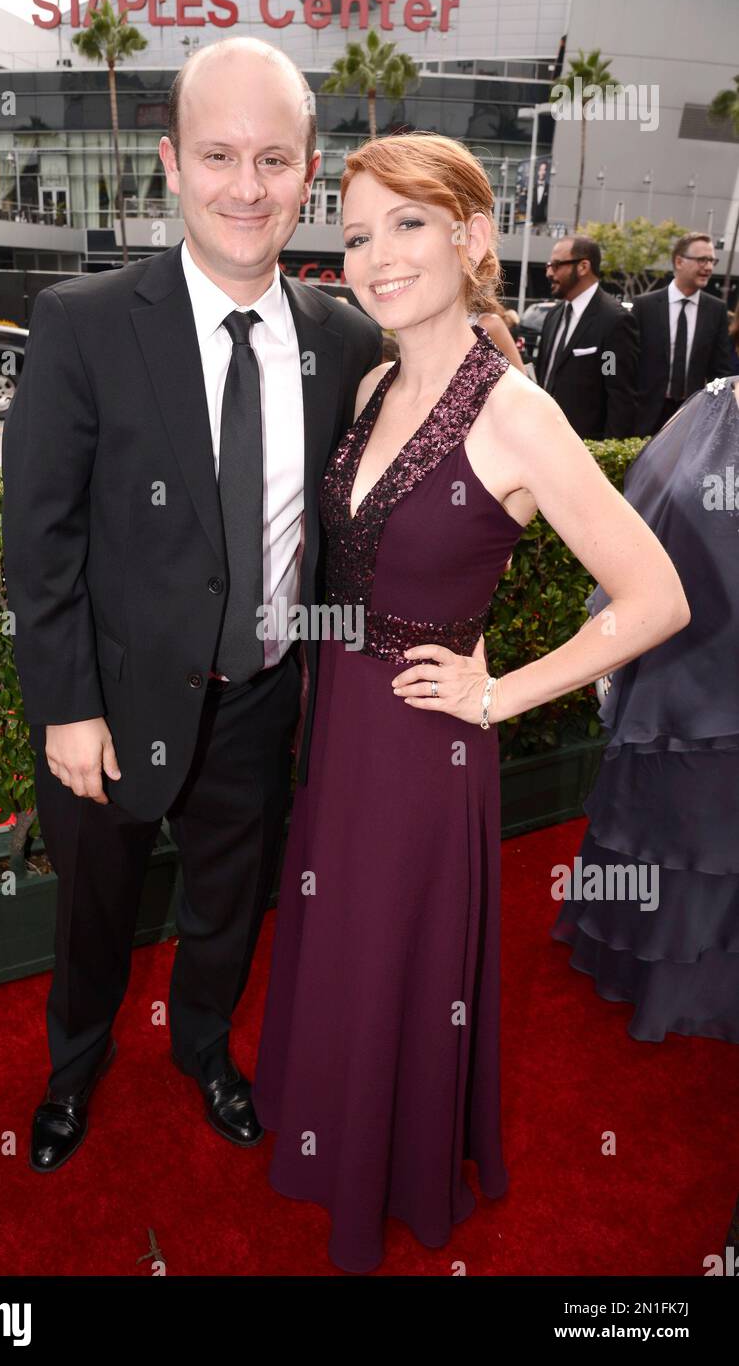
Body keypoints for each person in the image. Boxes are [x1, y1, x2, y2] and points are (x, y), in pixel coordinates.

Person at [251, 130, 690, 1274]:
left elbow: (656, 596)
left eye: (405, 224)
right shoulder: (370, 380)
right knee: (341, 953)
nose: (376, 256)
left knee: (394, 961)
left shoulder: (519, 413)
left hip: (424, 749)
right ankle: (331, 1137)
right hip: (338, 728)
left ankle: (386, 1179)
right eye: (354, 234)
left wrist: (496, 695)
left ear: (472, 237)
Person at [1, 36, 382, 1173]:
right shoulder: (80, 322)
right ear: (170, 163)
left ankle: (205, 1050)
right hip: (108, 711)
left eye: (273, 158)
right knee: (93, 918)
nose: (245, 185)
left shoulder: (346, 342)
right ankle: (74, 1068)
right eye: (218, 154)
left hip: (261, 702)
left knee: (227, 911)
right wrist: (67, 707)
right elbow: (41, 537)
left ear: (308, 173)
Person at [552, 371, 739, 1042]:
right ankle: (661, 980)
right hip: (688, 657)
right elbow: (640, 532)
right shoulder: (710, 411)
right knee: (682, 813)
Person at [535, 235, 639, 440]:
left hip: (586, 447)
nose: (548, 272)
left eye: (556, 265)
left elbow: (620, 396)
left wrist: (605, 455)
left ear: (583, 267)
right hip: (544, 439)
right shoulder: (553, 316)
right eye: (549, 265)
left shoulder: (614, 320)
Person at [631, 233, 733, 437]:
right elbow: (621, 361)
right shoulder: (644, 306)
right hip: (644, 416)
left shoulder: (716, 310)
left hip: (692, 418)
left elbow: (722, 370)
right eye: (702, 260)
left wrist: (714, 414)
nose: (709, 267)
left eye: (712, 260)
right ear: (679, 261)